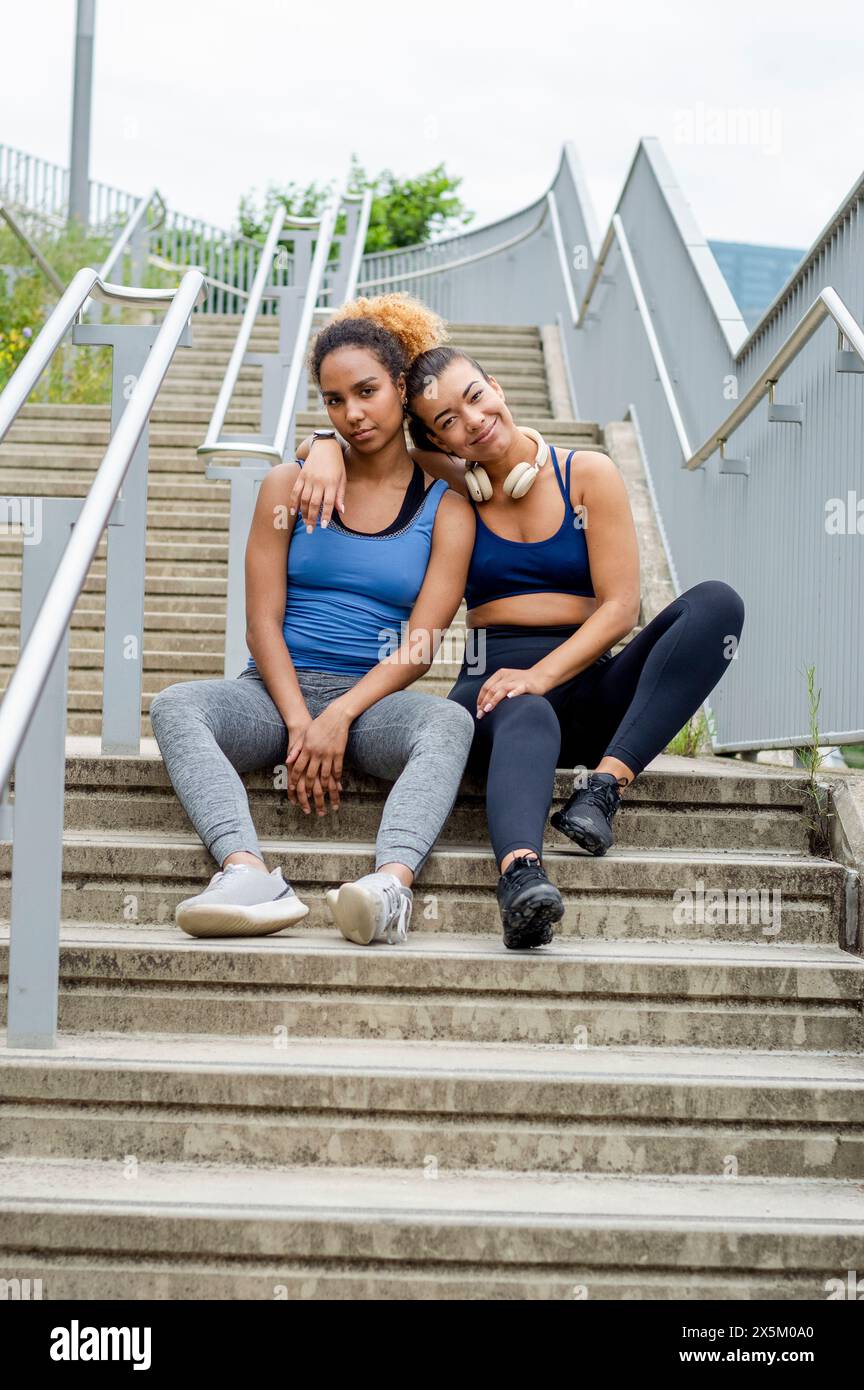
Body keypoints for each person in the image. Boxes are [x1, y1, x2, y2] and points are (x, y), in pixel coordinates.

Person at [293, 341, 745, 951]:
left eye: (475, 398)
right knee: (523, 704)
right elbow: (372, 442)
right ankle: (521, 879)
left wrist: (544, 674)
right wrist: (320, 445)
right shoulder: (452, 491)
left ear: (497, 387)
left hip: (584, 680)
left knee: (716, 603)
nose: (473, 422)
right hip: (493, 691)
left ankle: (604, 789)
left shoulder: (587, 474)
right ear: (438, 442)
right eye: (448, 421)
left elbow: (620, 610)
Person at [149, 296, 476, 946]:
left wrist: (340, 716)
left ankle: (389, 889)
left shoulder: (447, 506)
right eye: (333, 401)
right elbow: (261, 623)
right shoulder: (287, 487)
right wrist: (302, 721)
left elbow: (419, 646)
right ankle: (247, 873)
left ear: (402, 388)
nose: (352, 413)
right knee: (175, 705)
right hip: (272, 697)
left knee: (449, 721)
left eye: (367, 392)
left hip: (372, 706)